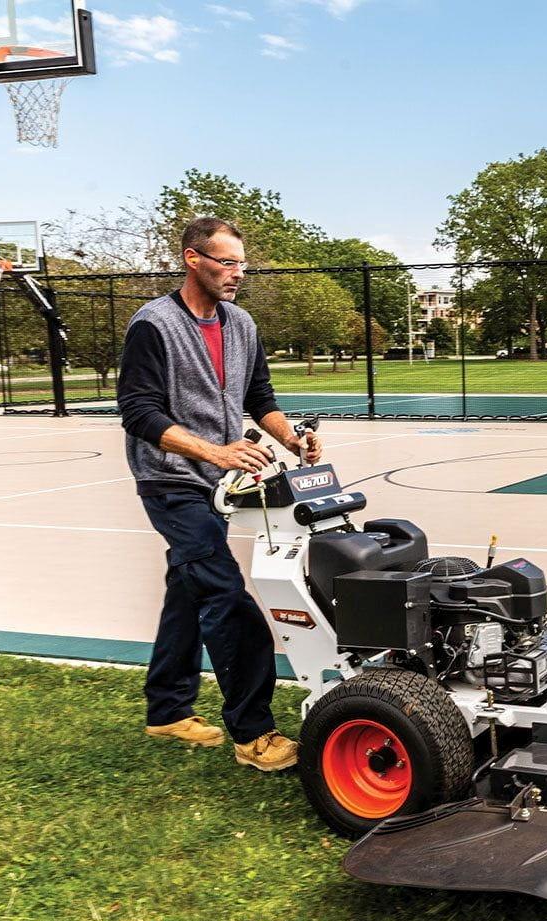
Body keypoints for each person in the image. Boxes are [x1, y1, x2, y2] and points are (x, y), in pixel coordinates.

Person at [117, 216, 323, 771]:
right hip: (170, 481)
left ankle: (166, 707)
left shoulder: (242, 324)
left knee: (189, 585)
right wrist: (218, 452)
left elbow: (259, 395)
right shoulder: (153, 325)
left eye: (241, 263)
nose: (237, 273)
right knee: (225, 596)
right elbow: (138, 413)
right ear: (192, 259)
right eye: (226, 262)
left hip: (218, 482)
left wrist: (293, 438)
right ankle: (253, 734)